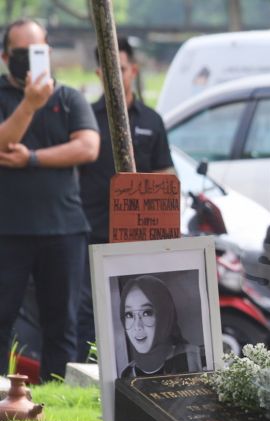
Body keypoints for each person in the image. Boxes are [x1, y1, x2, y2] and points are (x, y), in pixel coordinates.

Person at [0, 19, 99, 381]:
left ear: (49, 53)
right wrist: (29, 104)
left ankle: (57, 394)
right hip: (8, 230)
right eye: (21, 53)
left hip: (63, 228)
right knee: (2, 317)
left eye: (36, 52)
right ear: (5, 56)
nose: (28, 60)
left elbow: (88, 146)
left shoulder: (68, 97)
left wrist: (32, 158)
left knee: (62, 322)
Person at [77, 36, 175, 362]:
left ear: (132, 70)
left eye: (121, 69)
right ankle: (85, 368)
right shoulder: (84, 119)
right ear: (98, 74)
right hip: (93, 231)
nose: (116, 76)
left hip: (139, 236)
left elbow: (167, 176)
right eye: (109, 70)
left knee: (135, 306)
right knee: (88, 308)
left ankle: (135, 364)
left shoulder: (151, 121)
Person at [118, 275, 204, 378]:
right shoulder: (127, 374)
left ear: (164, 316)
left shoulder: (195, 358)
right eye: (129, 315)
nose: (137, 326)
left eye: (147, 313)